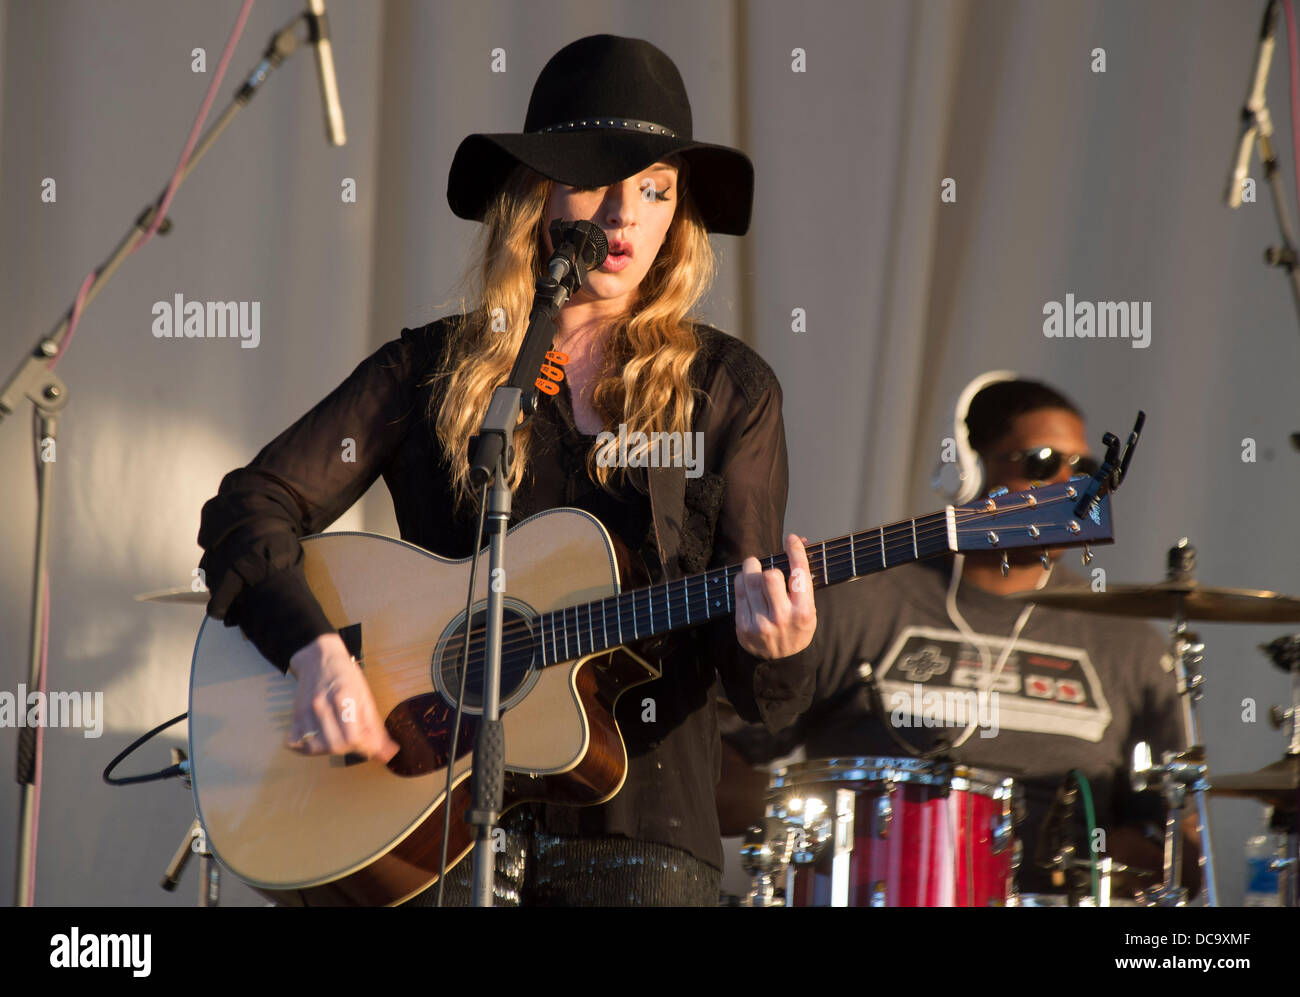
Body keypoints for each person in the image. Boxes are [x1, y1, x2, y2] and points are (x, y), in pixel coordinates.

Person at [196, 34, 817, 907]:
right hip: (430, 823)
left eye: (655, 189)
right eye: (598, 180)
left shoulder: (727, 391)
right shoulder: (431, 370)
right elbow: (251, 505)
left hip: (639, 842)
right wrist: (313, 653)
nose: (624, 216)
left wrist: (774, 644)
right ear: (536, 194)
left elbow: (757, 671)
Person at [722, 376, 1200, 902]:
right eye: (1041, 463)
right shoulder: (859, 604)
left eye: (1084, 470)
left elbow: (1180, 844)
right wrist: (822, 820)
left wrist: (1104, 855)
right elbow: (716, 766)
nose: (1071, 484)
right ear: (967, 471)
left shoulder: (1129, 644)